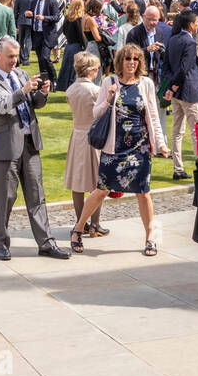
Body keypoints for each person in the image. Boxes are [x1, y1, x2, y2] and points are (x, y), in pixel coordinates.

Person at [71, 43, 170, 257]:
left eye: (135, 59)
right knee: (101, 190)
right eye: (128, 59)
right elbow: (96, 113)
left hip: (140, 146)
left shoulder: (146, 84)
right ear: (120, 61)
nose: (132, 63)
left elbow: (153, 115)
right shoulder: (109, 82)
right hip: (114, 147)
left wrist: (160, 143)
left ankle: (150, 237)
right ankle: (78, 228)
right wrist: (109, 98)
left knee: (143, 193)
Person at [0, 36, 70, 261]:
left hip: (30, 142)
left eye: (17, 56)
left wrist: (42, 92)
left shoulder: (21, 75)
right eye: (11, 56)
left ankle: (46, 243)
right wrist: (23, 91)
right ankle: (2, 244)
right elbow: (1, 107)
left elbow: (35, 104)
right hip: (5, 147)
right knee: (5, 198)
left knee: (37, 196)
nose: (14, 61)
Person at [63, 52, 106, 239]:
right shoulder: (95, 91)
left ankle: (82, 222)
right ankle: (94, 223)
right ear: (93, 71)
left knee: (77, 182)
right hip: (94, 136)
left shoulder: (70, 89)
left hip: (77, 135)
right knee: (97, 182)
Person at [164, 8, 198, 181]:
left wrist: (171, 85)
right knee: (194, 130)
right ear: (191, 25)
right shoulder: (190, 42)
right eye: (197, 22)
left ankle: (177, 168)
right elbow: (185, 67)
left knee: (177, 130)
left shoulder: (172, 40)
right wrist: (175, 86)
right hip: (187, 90)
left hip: (177, 90)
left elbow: (166, 67)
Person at [125, 5, 171, 88]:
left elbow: (162, 56)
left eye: (154, 20)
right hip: (138, 73)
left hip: (154, 73)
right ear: (143, 16)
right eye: (149, 19)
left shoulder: (159, 32)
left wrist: (162, 49)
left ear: (159, 19)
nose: (151, 22)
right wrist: (147, 49)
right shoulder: (134, 33)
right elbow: (129, 54)